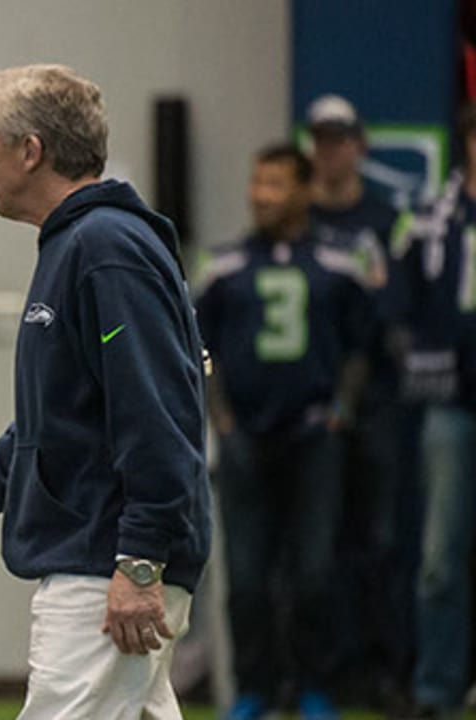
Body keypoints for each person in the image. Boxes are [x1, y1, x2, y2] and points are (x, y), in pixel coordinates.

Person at [0, 64, 212, 720]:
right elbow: (64, 427)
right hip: (105, 556)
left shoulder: (105, 249)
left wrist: (140, 560)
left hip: (105, 567)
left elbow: (158, 415)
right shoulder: (80, 247)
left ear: (30, 150)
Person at [196, 144, 374, 720]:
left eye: (274, 184)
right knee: (246, 575)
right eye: (256, 183)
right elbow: (201, 351)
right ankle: (256, 688)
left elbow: (361, 347)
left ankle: (313, 685)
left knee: (315, 572)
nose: (260, 195)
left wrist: (340, 410)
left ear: (303, 190)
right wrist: (220, 416)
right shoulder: (224, 266)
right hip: (245, 433)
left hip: (313, 433)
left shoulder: (338, 264)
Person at [306, 94, 420, 711]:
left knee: (380, 536)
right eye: (321, 139)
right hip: (310, 400)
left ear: (360, 146)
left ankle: (389, 668)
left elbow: (398, 307)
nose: (331, 151)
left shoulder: (387, 221)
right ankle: (328, 669)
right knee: (318, 543)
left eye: (341, 139)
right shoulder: (298, 222)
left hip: (374, 398)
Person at [397, 101, 476, 720]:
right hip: (452, 405)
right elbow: (396, 309)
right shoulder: (429, 220)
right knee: (440, 557)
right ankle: (437, 687)